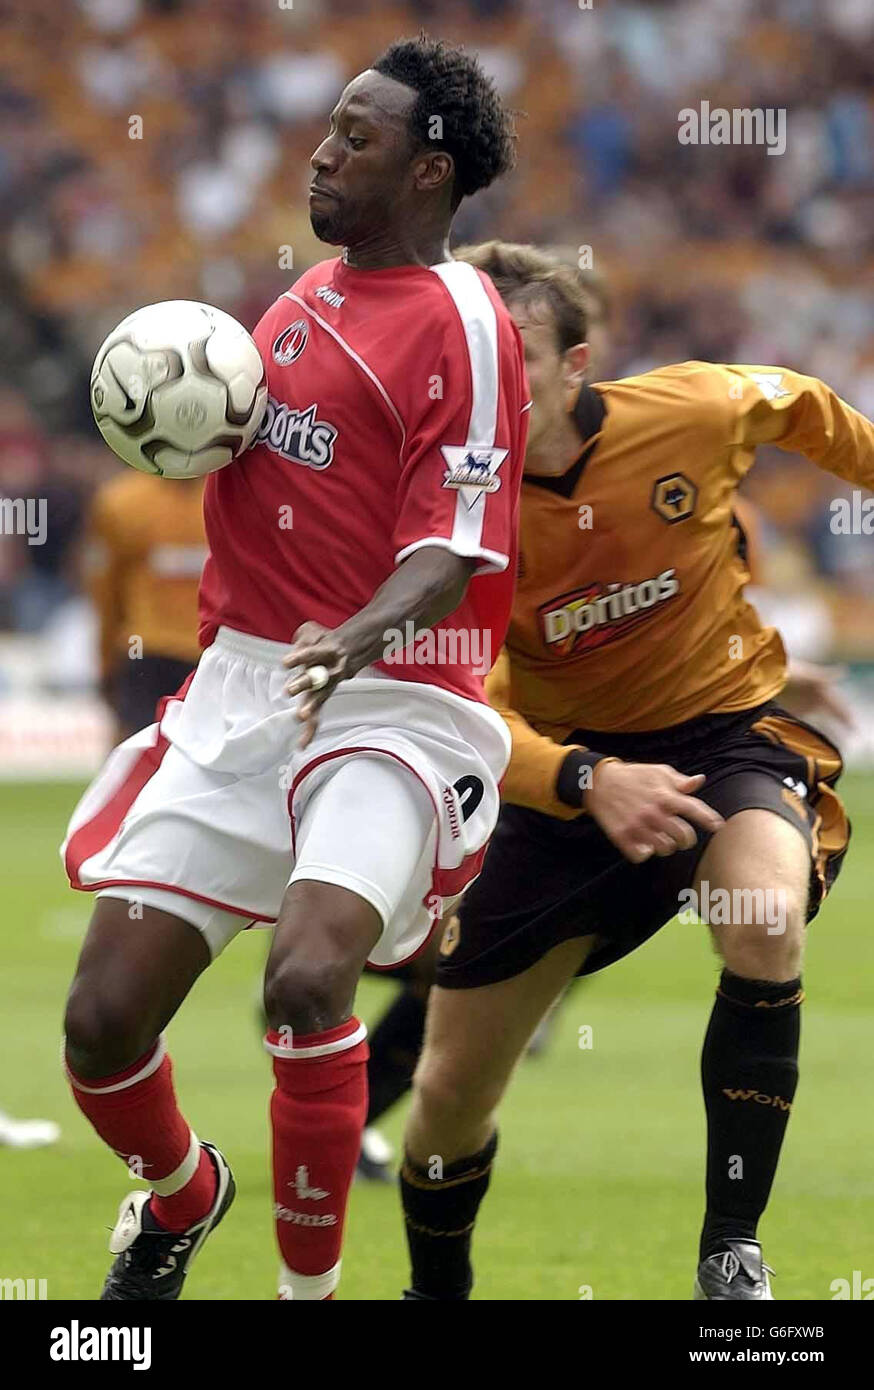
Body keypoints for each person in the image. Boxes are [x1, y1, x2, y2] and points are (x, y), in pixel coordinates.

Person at [60, 37, 526, 1302]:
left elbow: (454, 546)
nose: (320, 151)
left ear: (429, 172)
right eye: (327, 126)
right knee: (100, 1026)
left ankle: (304, 1297)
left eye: (356, 138)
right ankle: (183, 1194)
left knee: (310, 973)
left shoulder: (464, 324)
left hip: (397, 694)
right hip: (242, 695)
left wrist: (357, 636)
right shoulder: (294, 304)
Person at [399, 240, 869, 1301]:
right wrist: (578, 781)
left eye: (512, 356)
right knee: (445, 1101)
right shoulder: (446, 512)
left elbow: (799, 406)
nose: (489, 384)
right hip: (556, 790)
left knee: (760, 913)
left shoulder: (691, 411)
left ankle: (729, 1252)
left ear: (577, 364)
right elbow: (453, 704)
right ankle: (435, 1291)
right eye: (470, 359)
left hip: (721, 740)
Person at [85, 472, 206, 743]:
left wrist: (105, 662)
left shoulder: (121, 501)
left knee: (136, 756)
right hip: (206, 651)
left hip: (145, 647)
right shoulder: (229, 496)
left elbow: (106, 591)